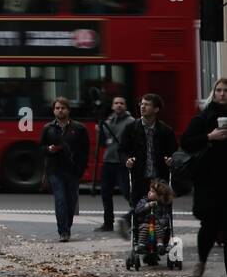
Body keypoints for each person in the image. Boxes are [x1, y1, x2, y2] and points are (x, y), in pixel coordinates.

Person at [179, 78, 227, 277]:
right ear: (213, 93)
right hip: (208, 180)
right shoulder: (204, 117)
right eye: (219, 90)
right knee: (209, 224)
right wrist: (210, 137)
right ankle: (202, 260)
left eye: (226, 91)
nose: (222, 94)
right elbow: (186, 142)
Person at [39, 97, 89, 242]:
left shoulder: (79, 128)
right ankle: (63, 231)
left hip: (73, 170)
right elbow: (40, 148)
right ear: (53, 110)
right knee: (60, 200)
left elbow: (85, 150)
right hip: (55, 170)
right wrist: (48, 149)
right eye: (57, 108)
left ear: (68, 110)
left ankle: (67, 225)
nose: (60, 110)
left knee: (71, 201)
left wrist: (81, 168)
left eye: (63, 108)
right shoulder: (48, 128)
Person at [120, 92, 176, 208]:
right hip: (139, 175)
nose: (142, 107)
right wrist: (127, 160)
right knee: (138, 207)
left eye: (147, 105)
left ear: (156, 109)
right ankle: (135, 225)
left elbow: (175, 152)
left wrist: (171, 160)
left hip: (159, 177)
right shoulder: (131, 128)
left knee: (162, 209)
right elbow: (122, 150)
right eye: (142, 104)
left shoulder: (166, 130)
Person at [98, 96, 135, 235]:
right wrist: (100, 130)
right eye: (116, 103)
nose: (118, 105)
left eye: (121, 103)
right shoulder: (108, 121)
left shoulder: (131, 122)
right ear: (112, 106)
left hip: (122, 163)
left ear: (125, 106)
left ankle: (135, 217)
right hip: (108, 161)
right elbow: (103, 143)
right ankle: (108, 223)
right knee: (105, 193)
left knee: (127, 193)